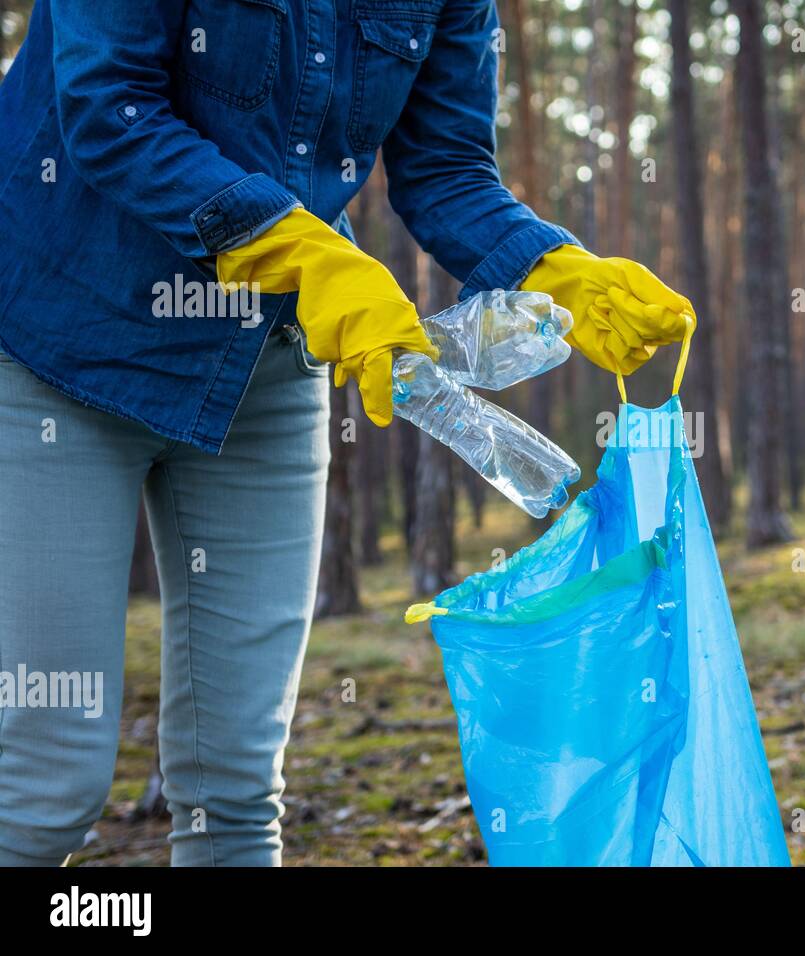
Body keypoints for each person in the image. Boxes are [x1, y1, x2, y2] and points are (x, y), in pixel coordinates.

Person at [0, 0, 693, 867]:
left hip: (263, 362)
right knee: (45, 788)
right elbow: (109, 105)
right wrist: (301, 248)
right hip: (60, 343)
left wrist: (554, 266)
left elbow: (443, 166)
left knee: (238, 793)